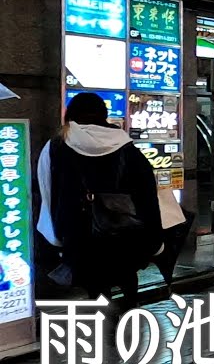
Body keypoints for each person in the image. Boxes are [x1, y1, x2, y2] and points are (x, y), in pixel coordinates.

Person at [37, 92, 162, 308]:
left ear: (70, 115)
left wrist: (55, 234)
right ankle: (130, 317)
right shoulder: (125, 145)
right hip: (125, 229)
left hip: (78, 231)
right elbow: (147, 193)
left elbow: (46, 189)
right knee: (126, 275)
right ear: (104, 115)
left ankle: (105, 324)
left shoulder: (56, 146)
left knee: (94, 282)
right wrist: (155, 236)